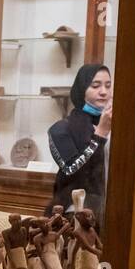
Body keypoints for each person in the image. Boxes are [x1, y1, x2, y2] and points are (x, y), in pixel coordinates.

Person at [48, 63, 112, 220]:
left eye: (108, 86)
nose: (103, 92)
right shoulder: (61, 129)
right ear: (82, 89)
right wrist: (100, 136)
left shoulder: (113, 124)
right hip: (75, 213)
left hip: (111, 209)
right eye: (95, 86)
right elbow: (72, 171)